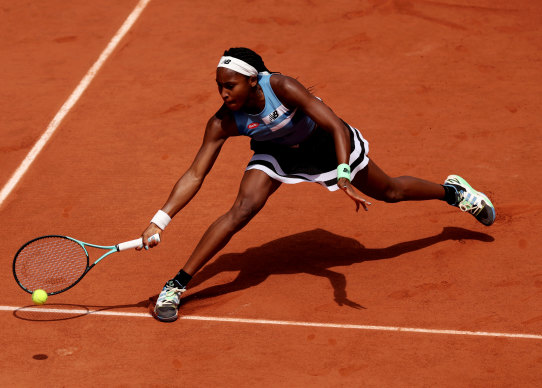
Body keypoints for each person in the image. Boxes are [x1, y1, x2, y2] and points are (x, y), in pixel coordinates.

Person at [138, 47, 495, 322]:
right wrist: (161, 219)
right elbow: (195, 174)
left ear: (251, 81)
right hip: (277, 152)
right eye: (218, 86)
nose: (223, 94)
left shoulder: (282, 87)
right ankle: (176, 285)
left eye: (229, 85)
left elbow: (336, 126)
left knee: (390, 192)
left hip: (326, 144)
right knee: (242, 210)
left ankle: (454, 192)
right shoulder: (223, 122)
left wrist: (342, 173)